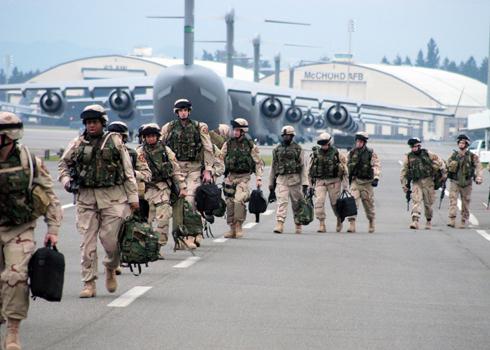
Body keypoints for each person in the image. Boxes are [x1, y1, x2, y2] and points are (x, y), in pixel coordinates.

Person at [59, 104, 139, 298]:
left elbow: (128, 172)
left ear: (103, 123)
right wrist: (66, 181)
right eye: (88, 123)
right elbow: (63, 164)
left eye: (94, 122)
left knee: (111, 242)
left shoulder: (115, 142)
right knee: (87, 244)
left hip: (113, 198)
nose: (91, 126)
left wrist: (133, 198)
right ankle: (89, 283)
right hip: (86, 199)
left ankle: (111, 267)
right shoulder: (77, 143)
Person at [0, 112, 62, 350]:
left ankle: (13, 333)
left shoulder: (29, 161)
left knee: (15, 276)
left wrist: (53, 228)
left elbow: (49, 195)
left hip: (19, 228)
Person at [160, 99, 214, 248]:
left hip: (194, 169)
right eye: (180, 110)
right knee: (177, 204)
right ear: (176, 112)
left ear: (189, 111)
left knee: (190, 200)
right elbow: (160, 146)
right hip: (176, 169)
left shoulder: (199, 127)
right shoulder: (169, 128)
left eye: (185, 110)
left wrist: (208, 170)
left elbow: (208, 148)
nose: (183, 113)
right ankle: (181, 237)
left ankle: (191, 235)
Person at [137, 123, 186, 257]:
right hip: (145, 191)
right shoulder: (139, 153)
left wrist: (182, 186)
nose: (151, 139)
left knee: (163, 218)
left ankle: (157, 247)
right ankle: (147, 247)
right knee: (146, 222)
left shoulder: (166, 151)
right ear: (144, 138)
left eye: (153, 136)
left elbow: (175, 169)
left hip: (162, 188)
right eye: (148, 136)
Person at [221, 118, 263, 238]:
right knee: (229, 203)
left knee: (238, 200)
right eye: (234, 129)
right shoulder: (228, 143)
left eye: (238, 130)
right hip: (230, 177)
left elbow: (258, 162)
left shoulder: (250, 145)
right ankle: (232, 228)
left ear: (243, 131)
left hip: (243, 177)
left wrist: (259, 178)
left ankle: (239, 226)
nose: (235, 132)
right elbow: (219, 157)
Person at [400, 137, 446, 229]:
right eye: (412, 147)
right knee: (416, 201)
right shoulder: (408, 156)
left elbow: (441, 163)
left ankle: (428, 220)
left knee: (428, 204)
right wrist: (404, 184)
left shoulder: (428, 154)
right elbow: (404, 171)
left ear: (419, 146)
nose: (413, 148)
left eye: (415, 146)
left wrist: (443, 175)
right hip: (417, 182)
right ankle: (415, 221)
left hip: (429, 182)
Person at [269, 125, 308, 234]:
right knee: (282, 202)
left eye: (288, 135)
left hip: (295, 180)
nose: (286, 137)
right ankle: (280, 223)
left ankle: (298, 224)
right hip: (281, 180)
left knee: (297, 204)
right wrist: (271, 184)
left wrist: (305, 184)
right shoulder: (277, 150)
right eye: (284, 135)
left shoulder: (298, 149)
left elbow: (303, 166)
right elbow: (273, 167)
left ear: (292, 136)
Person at [307, 132, 348, 233]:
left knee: (335, 203)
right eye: (322, 144)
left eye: (325, 143)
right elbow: (309, 170)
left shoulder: (337, 153)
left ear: (330, 143)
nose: (323, 146)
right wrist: (310, 185)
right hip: (320, 181)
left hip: (334, 182)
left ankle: (339, 219)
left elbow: (345, 171)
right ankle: (322, 223)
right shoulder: (315, 154)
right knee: (319, 202)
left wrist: (345, 186)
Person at [346, 131, 381, 233]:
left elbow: (376, 165)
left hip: (367, 183)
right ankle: (352, 224)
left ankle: (371, 221)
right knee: (352, 203)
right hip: (355, 181)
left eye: (361, 142)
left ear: (364, 143)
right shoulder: (351, 153)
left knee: (368, 205)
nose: (358, 143)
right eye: (357, 141)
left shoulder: (370, 153)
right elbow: (345, 165)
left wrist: (376, 177)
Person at [446, 134, 483, 228]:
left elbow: (479, 167)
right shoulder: (454, 156)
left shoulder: (472, 156)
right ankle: (452, 219)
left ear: (467, 144)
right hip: (455, 182)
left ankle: (463, 219)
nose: (461, 144)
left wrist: (479, 177)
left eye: (463, 143)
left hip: (467, 183)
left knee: (465, 202)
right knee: (453, 201)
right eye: (460, 142)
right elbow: (446, 166)